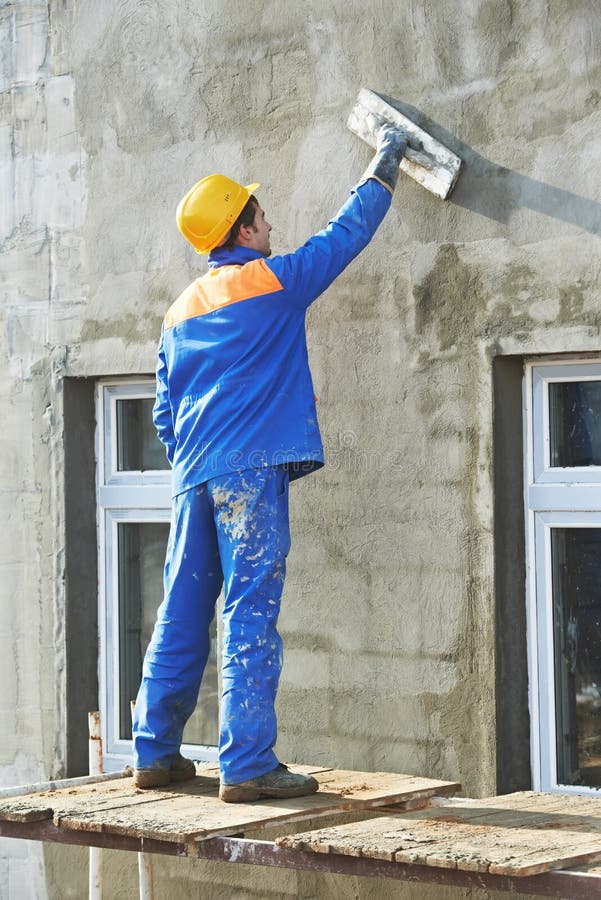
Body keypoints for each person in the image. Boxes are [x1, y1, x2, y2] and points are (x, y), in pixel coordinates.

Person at [132, 122, 412, 802]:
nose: (270, 222)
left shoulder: (179, 311)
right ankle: (248, 765)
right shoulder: (272, 283)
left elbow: (163, 413)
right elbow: (342, 236)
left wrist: (199, 454)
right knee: (250, 610)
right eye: (260, 214)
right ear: (242, 229)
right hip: (246, 472)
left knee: (181, 607)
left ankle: (154, 751)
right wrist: (385, 162)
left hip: (193, 473)